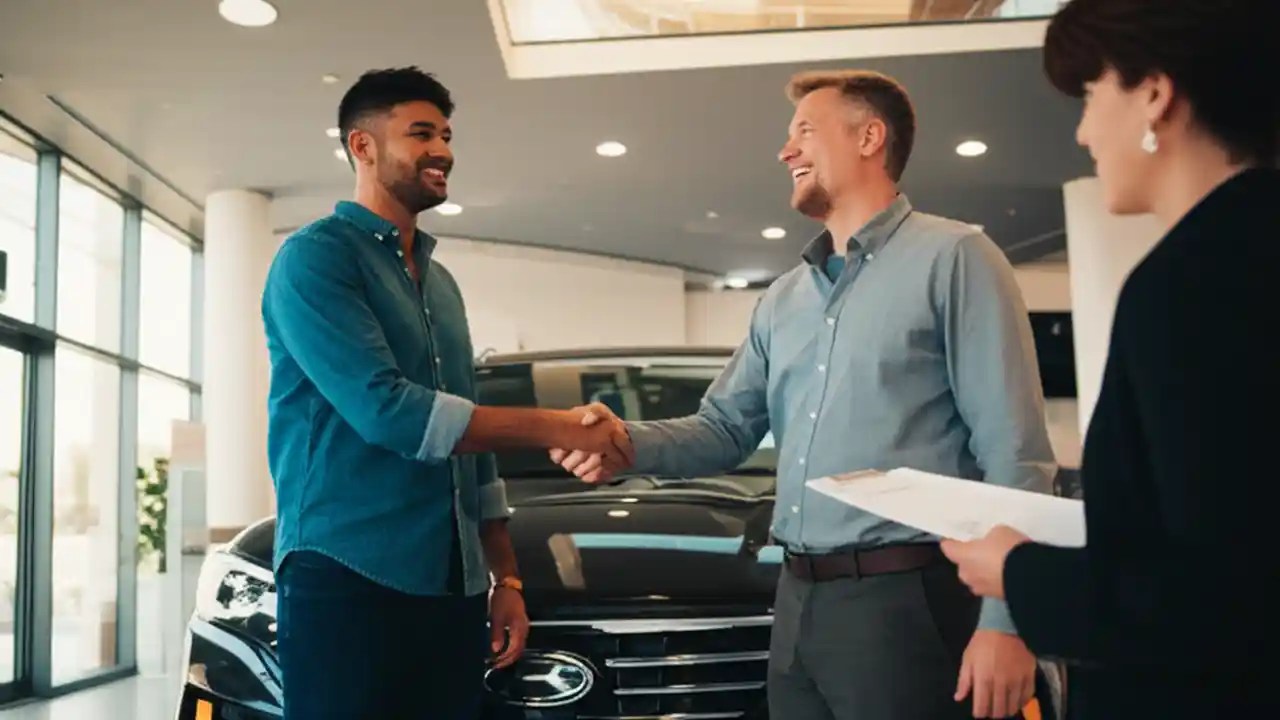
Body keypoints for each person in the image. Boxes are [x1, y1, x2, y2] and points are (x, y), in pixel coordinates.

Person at [554, 70, 1057, 720]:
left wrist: (1006, 622)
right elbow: (724, 429)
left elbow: (1016, 454)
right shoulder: (784, 297)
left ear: (870, 137)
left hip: (906, 600)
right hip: (796, 602)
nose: (785, 151)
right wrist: (623, 443)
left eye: (804, 132)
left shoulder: (955, 257)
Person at [938, 1, 1280, 718]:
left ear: (1156, 93)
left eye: (1092, 94)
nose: (1085, 130)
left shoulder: (1191, 281)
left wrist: (1016, 572)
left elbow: (1216, 593)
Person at [261, 67, 631, 720]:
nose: (444, 150)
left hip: (453, 586)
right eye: (422, 132)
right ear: (362, 145)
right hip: (348, 574)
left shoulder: (442, 286)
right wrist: (563, 427)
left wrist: (505, 577)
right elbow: (392, 414)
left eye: (448, 134)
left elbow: (473, 452)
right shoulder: (315, 260)